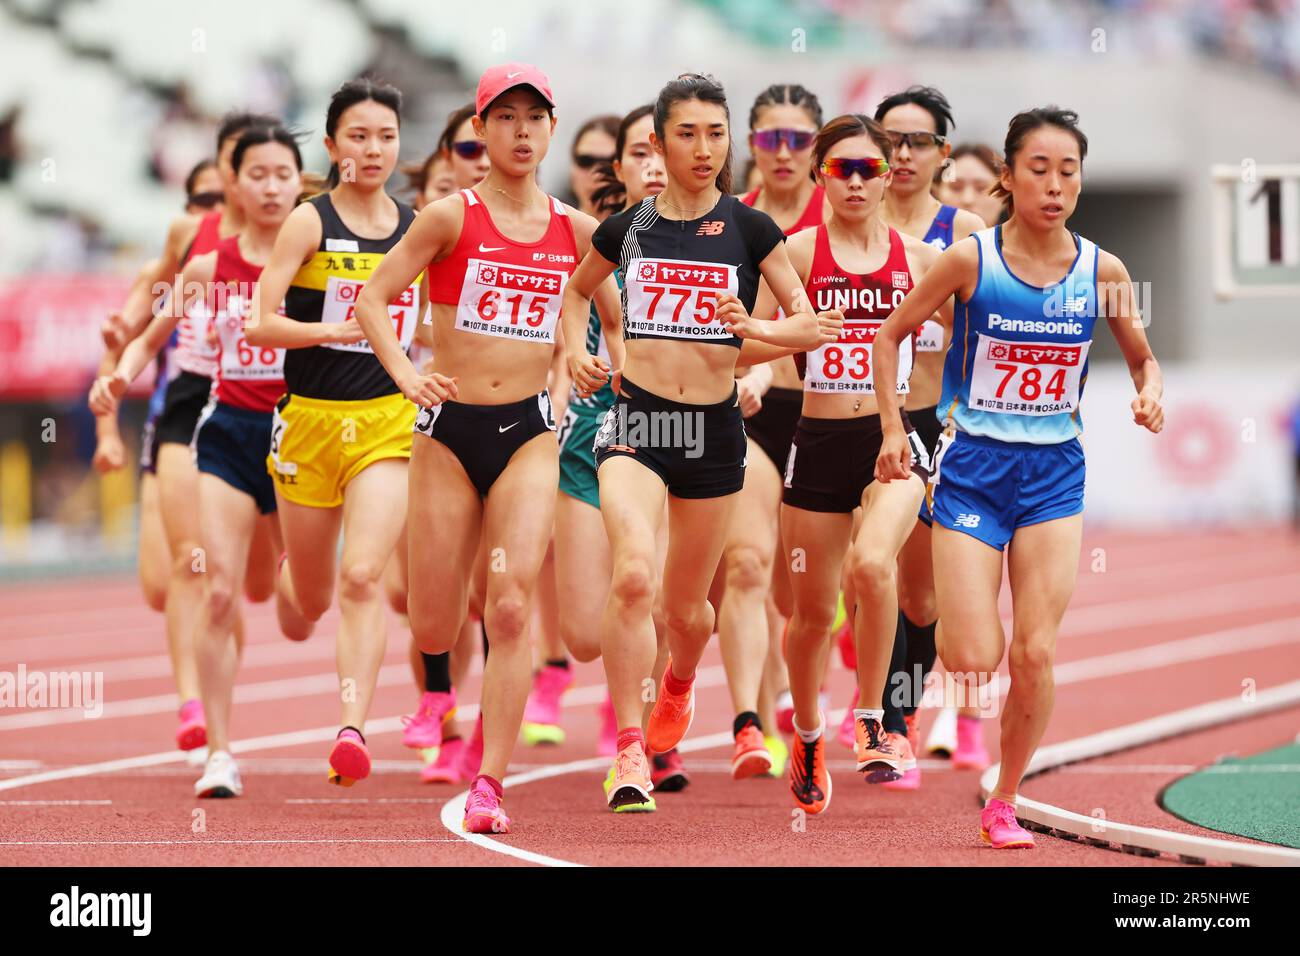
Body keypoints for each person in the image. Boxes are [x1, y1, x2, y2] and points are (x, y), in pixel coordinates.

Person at [872, 106, 1164, 848]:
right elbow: (890, 335)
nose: (1055, 184)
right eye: (1038, 168)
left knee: (1035, 650)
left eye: (1069, 171)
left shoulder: (1105, 270)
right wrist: (891, 432)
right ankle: (938, 694)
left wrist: (1150, 388)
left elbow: (1141, 355)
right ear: (1007, 176)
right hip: (971, 472)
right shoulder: (972, 259)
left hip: (1053, 477)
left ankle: (1004, 798)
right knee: (973, 657)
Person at [561, 73, 839, 812]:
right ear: (657, 141)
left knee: (690, 611)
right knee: (631, 578)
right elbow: (577, 289)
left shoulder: (751, 232)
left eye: (716, 133)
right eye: (687, 133)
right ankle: (628, 749)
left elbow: (810, 325)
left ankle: (680, 681)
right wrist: (575, 354)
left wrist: (757, 331)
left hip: (714, 431)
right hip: (638, 423)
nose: (704, 148)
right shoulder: (628, 229)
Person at [352, 63, 616, 834]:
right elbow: (372, 298)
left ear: (551, 129)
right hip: (446, 433)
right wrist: (406, 374)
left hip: (530, 434)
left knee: (507, 607)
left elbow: (609, 311)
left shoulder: (575, 230)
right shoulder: (446, 217)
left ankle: (491, 784)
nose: (522, 131)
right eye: (506, 118)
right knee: (435, 621)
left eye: (536, 118)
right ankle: (436, 687)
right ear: (482, 128)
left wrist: (593, 362)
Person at [92, 124, 310, 797]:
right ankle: (221, 752)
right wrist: (119, 377)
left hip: (301, 436)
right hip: (224, 430)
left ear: (301, 181)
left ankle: (287, 564)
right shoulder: (206, 267)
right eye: (257, 175)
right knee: (216, 589)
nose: (271, 188)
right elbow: (152, 332)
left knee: (291, 608)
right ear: (232, 183)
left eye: (284, 175)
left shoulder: (322, 258)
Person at [246, 78, 421, 787]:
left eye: (384, 136)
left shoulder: (417, 227)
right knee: (312, 599)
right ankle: (289, 575)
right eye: (357, 136)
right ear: (331, 146)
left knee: (362, 576)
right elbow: (259, 320)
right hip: (310, 425)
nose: (372, 148)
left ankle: (352, 726)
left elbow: (436, 319)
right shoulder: (309, 222)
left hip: (387, 425)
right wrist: (333, 329)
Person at [773, 114, 941, 813]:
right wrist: (770, 335)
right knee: (810, 617)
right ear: (821, 177)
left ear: (887, 177)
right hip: (816, 443)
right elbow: (752, 343)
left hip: (893, 443)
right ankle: (809, 733)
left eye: (868, 169)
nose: (856, 180)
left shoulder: (923, 260)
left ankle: (873, 716)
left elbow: (970, 341)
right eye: (841, 168)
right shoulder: (799, 252)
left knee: (875, 568)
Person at [865, 86, 985, 786]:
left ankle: (899, 717)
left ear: (943, 150)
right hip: (854, 419)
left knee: (921, 597)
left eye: (917, 142)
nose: (901, 155)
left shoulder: (964, 231)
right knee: (856, 573)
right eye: (890, 140)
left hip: (934, 422)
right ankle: (879, 721)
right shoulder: (852, 216)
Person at [716, 83, 830, 781]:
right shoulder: (732, 219)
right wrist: (749, 375)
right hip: (750, 413)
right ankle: (755, 724)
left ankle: (793, 686)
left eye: (798, 140)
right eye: (769, 139)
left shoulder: (838, 212)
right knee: (750, 567)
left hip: (823, 420)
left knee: (802, 593)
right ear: (750, 144)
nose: (783, 153)